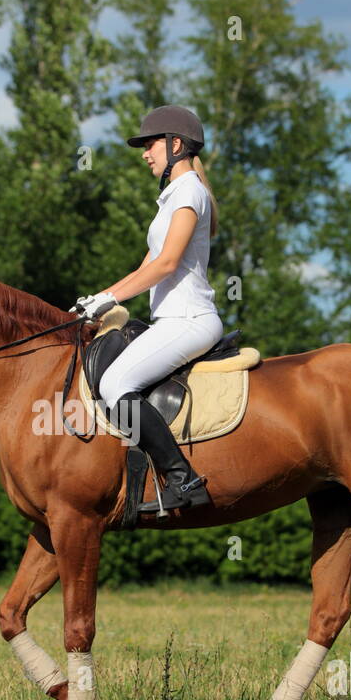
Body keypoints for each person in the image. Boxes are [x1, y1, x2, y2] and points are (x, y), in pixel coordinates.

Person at [72, 105, 223, 510]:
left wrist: (110, 298)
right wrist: (99, 299)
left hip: (189, 320)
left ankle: (182, 480)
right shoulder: (174, 195)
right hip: (172, 320)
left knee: (115, 384)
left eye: (150, 144)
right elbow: (147, 263)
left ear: (176, 144)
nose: (145, 153)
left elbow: (168, 263)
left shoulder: (189, 190)